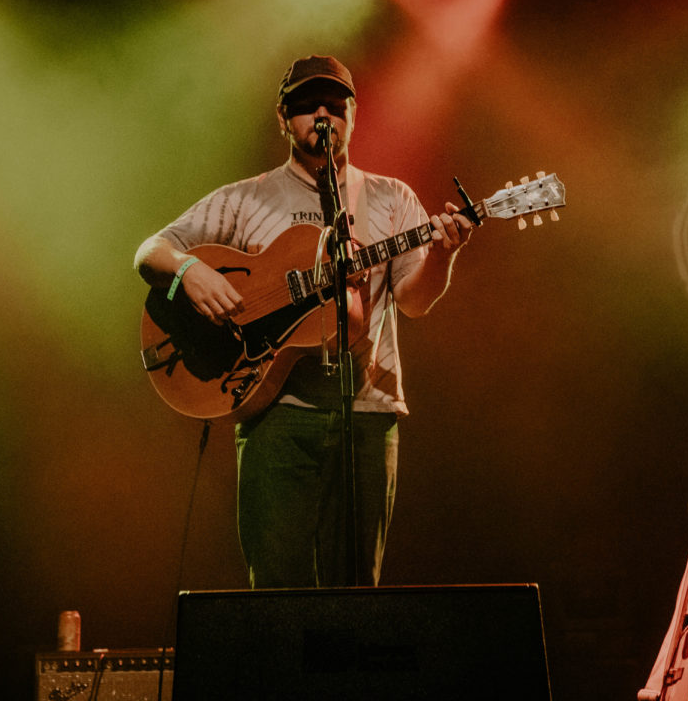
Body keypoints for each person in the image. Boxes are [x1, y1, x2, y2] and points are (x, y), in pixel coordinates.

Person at [134, 55, 475, 587]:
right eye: (306, 106)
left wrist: (442, 254)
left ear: (353, 115)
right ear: (282, 117)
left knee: (357, 593)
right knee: (277, 592)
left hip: (368, 412)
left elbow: (413, 302)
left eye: (335, 106)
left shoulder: (391, 197)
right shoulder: (248, 197)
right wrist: (190, 273)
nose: (322, 115)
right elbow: (151, 251)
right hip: (277, 414)